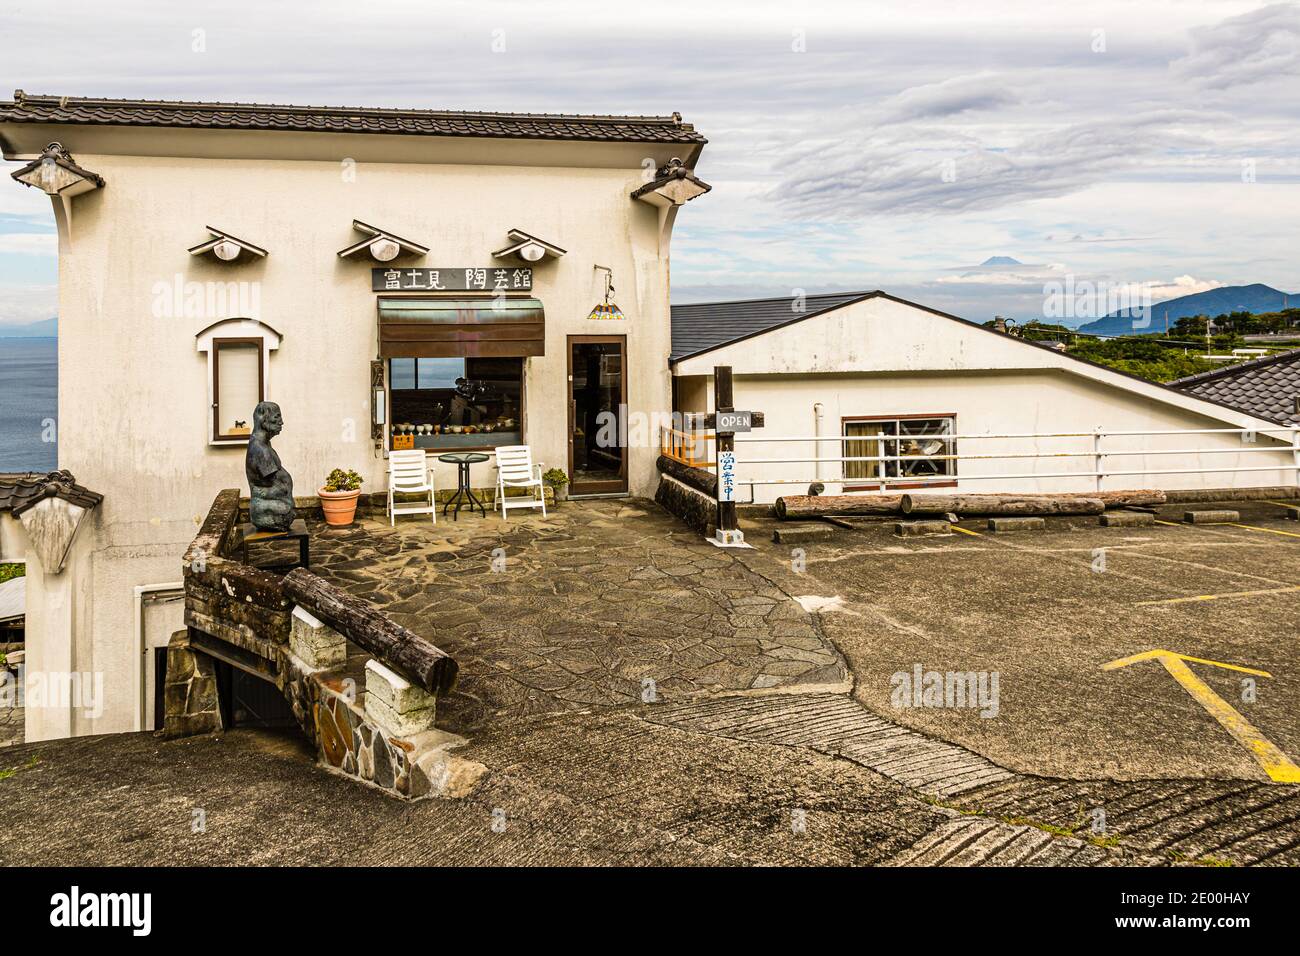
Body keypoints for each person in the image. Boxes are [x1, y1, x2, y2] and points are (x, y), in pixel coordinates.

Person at [245, 401, 295, 532]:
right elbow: (275, 483)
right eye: (277, 417)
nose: (281, 422)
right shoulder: (260, 450)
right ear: (263, 419)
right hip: (267, 512)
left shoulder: (264, 445)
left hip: (274, 508)